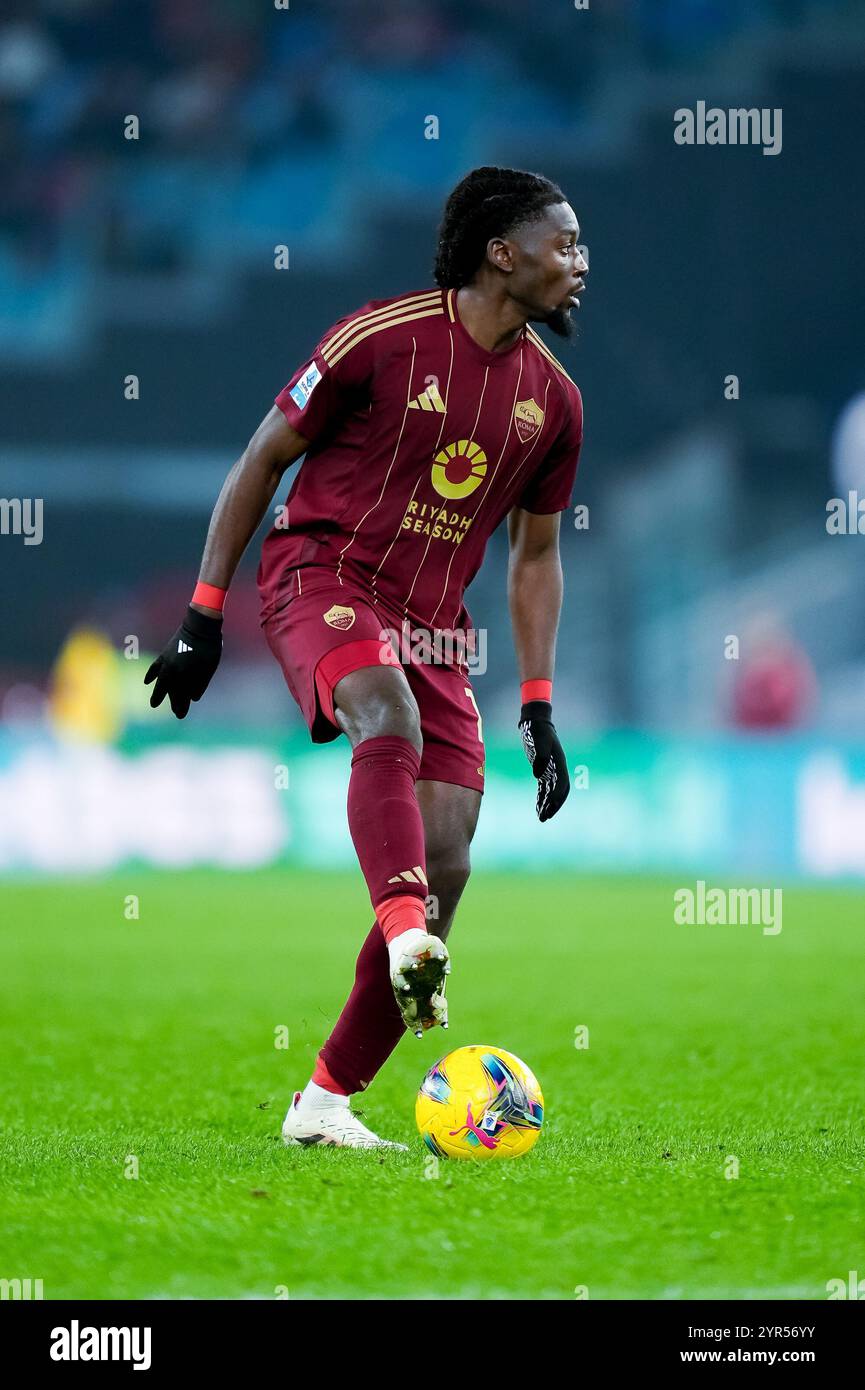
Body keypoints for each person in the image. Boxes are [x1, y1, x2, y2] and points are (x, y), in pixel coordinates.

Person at [144, 165, 587, 1149]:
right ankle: (403, 933)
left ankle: (323, 1102)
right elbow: (263, 457)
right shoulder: (379, 338)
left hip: (434, 624)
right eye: (562, 245)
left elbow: (537, 556)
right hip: (323, 571)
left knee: (450, 858)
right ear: (498, 251)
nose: (578, 264)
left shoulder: (553, 403)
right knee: (383, 723)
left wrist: (540, 700)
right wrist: (202, 616)